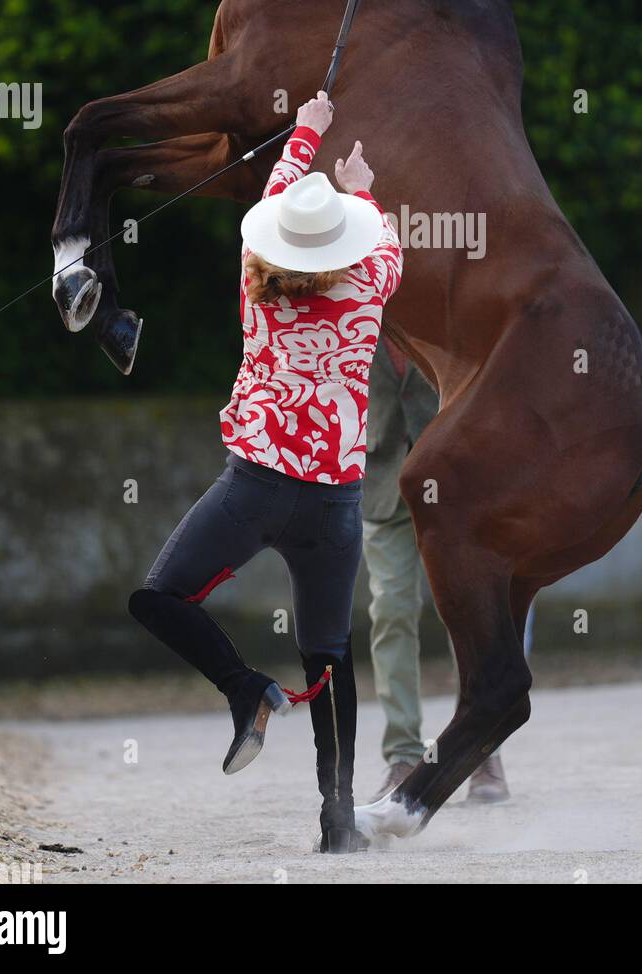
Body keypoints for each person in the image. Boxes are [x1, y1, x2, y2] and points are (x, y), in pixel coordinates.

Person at [128, 91, 402, 854]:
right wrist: (360, 186)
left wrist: (308, 128)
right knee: (330, 655)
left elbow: (277, 192)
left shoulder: (255, 281)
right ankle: (337, 820)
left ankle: (242, 686)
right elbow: (382, 237)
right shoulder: (371, 284)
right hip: (335, 505)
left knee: (157, 596)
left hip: (254, 487)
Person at [363, 334, 520, 804]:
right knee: (390, 611)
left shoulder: (444, 299)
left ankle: (479, 750)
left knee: (470, 617)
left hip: (452, 484)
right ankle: (402, 757)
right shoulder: (351, 296)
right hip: (381, 479)